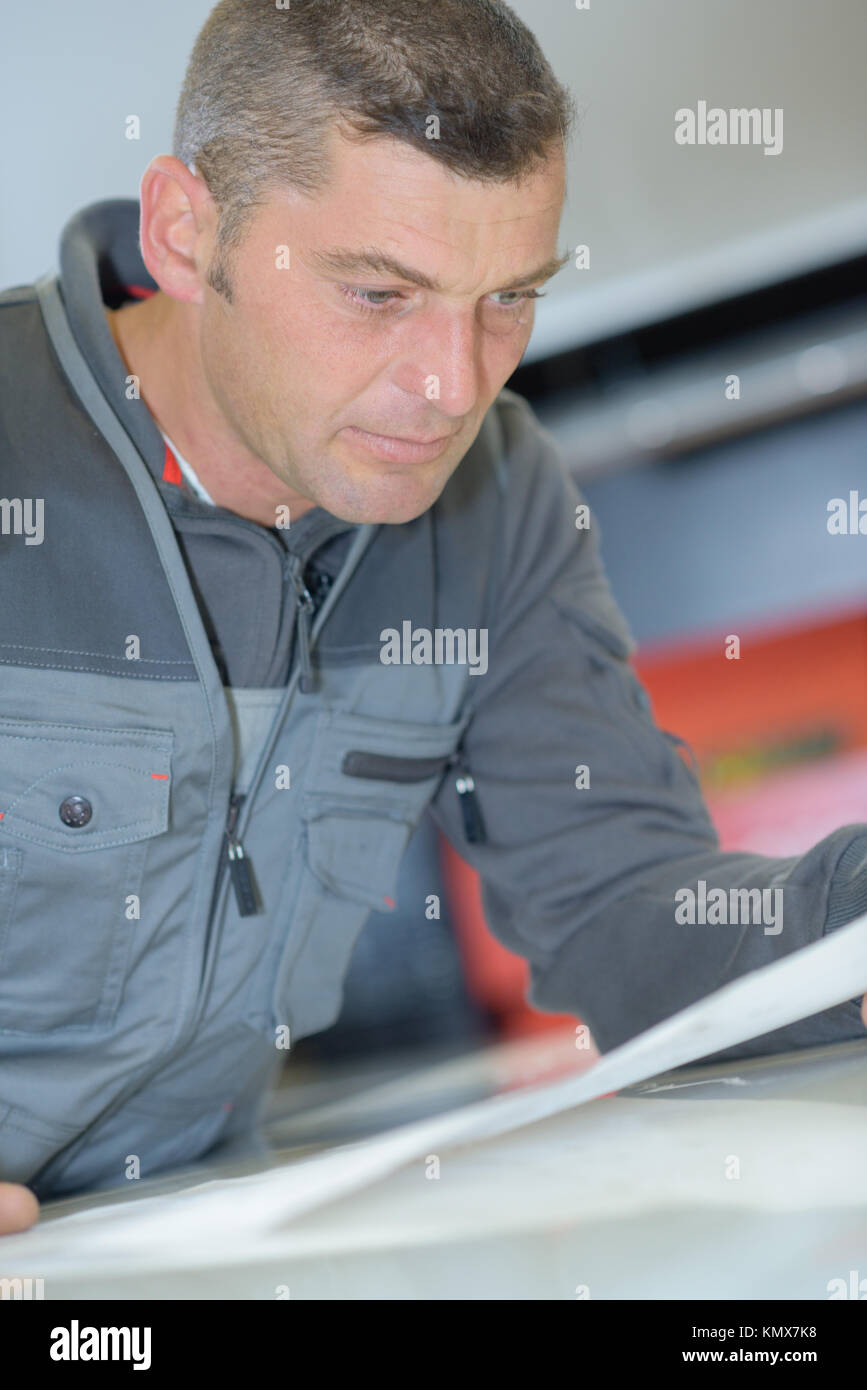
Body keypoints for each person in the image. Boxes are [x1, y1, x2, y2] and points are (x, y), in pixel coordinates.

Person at [1, 0, 864, 1236]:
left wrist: (851, 925)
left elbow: (633, 913)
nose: (452, 385)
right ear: (189, 234)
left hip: (167, 1256)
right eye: (376, 293)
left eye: (508, 297)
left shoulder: (496, 497)